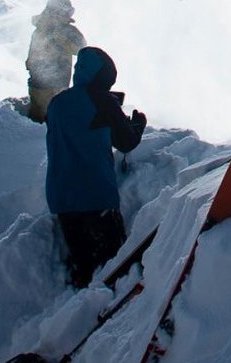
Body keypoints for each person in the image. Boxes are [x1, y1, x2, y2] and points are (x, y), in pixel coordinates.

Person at [45, 46, 147, 288]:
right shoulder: (101, 101)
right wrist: (138, 124)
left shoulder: (57, 103)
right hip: (95, 196)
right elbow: (126, 141)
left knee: (84, 268)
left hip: (61, 200)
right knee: (114, 269)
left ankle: (79, 311)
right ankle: (111, 316)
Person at [25, 0, 86, 122]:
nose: (69, 15)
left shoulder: (68, 31)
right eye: (67, 11)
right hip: (40, 86)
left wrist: (63, 40)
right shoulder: (41, 30)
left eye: (71, 11)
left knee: (56, 119)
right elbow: (33, 56)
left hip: (60, 86)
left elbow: (83, 50)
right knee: (41, 122)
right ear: (56, 11)